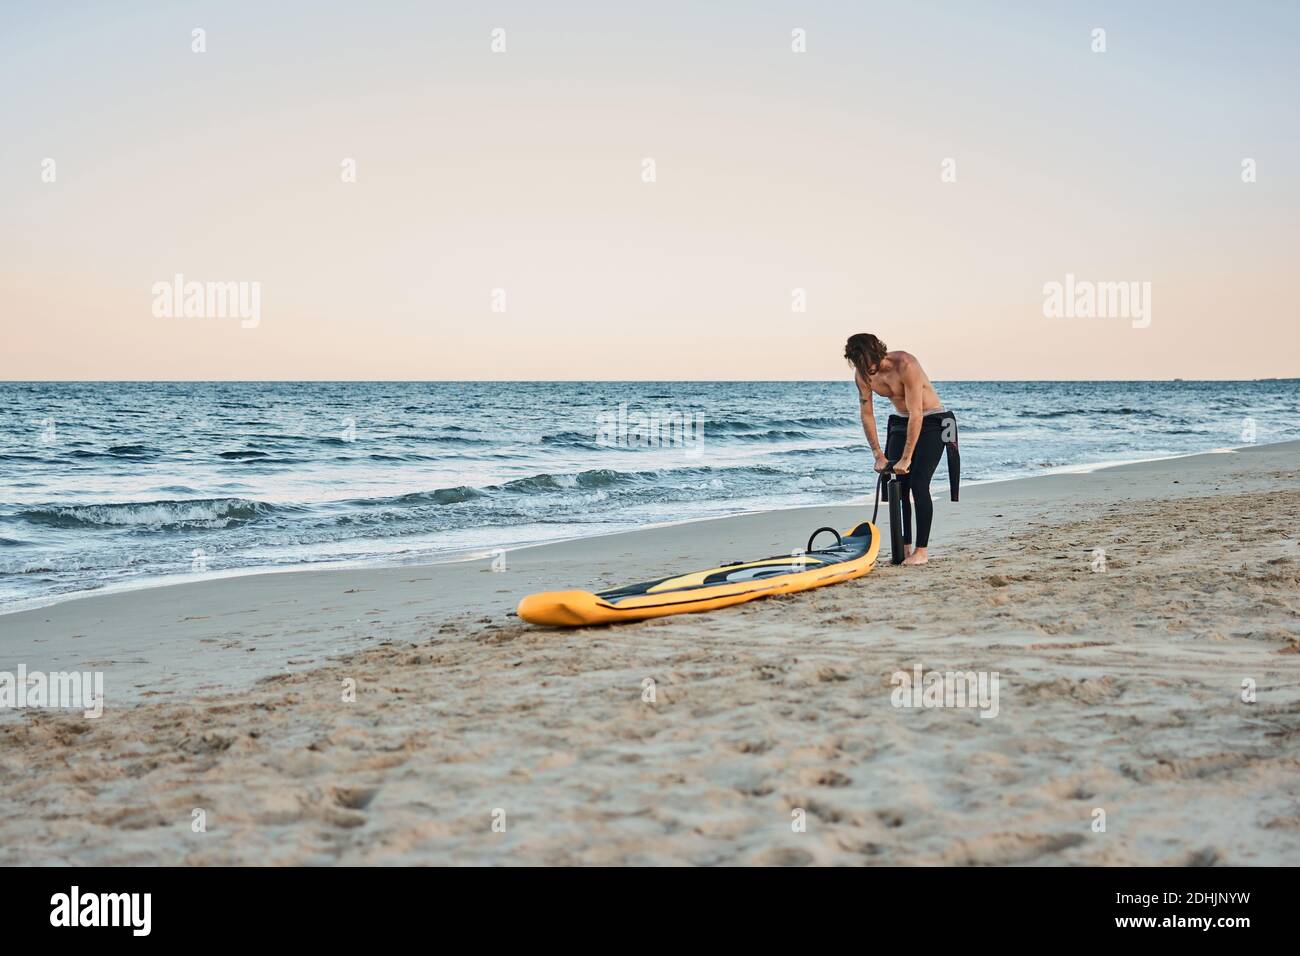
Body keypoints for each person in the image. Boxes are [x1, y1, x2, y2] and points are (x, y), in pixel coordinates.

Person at [845, 333, 959, 565]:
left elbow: (916, 414)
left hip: (934, 420)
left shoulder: (906, 364)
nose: (866, 369)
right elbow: (867, 413)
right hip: (900, 421)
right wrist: (878, 454)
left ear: (877, 353)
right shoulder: (863, 374)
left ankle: (921, 552)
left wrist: (906, 458)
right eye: (860, 365)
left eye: (868, 363)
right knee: (898, 485)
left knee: (918, 482)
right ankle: (904, 549)